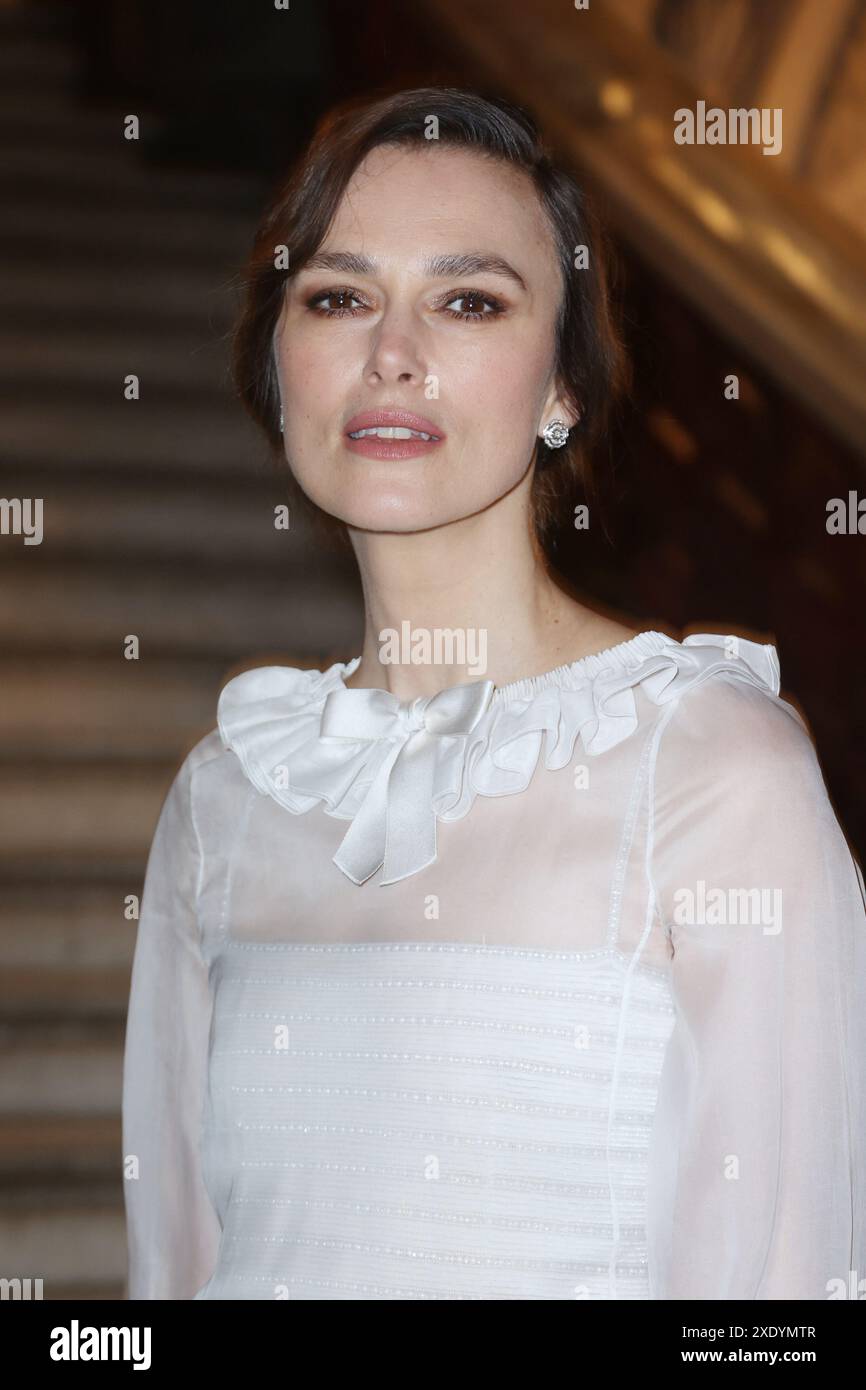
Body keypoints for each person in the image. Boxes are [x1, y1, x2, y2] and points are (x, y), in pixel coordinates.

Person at [121, 86, 866, 1300]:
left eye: (467, 300)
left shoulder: (713, 770)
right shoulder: (225, 794)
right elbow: (173, 1274)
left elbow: (782, 1295)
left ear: (562, 387)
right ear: (277, 357)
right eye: (338, 297)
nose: (393, 353)